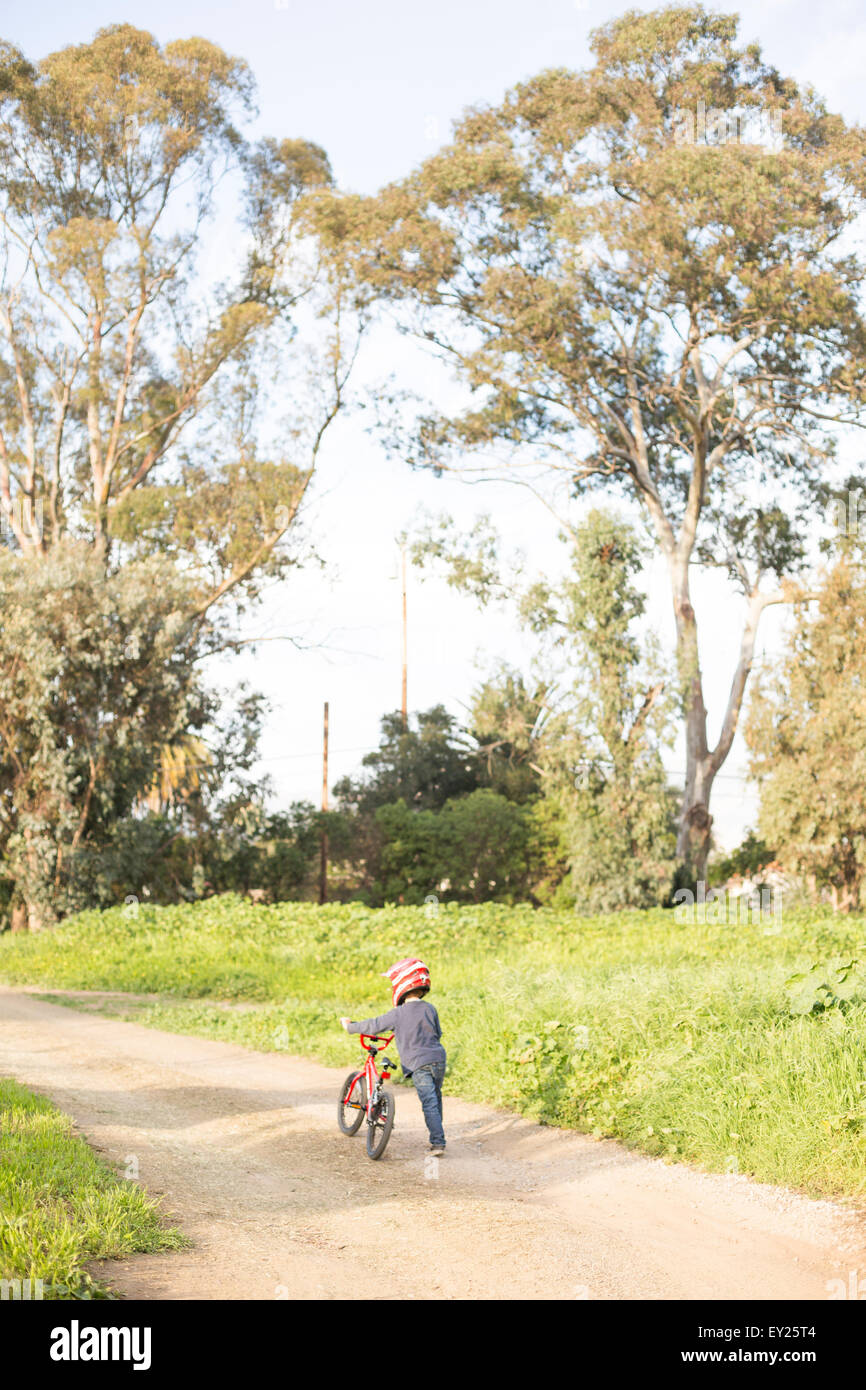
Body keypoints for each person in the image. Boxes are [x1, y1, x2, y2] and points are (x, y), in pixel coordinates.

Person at [340, 956, 447, 1155]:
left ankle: (438, 1142)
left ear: (401, 983)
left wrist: (350, 1027)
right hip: (438, 1059)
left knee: (428, 1102)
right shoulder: (430, 1008)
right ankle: (437, 1134)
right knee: (435, 1098)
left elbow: (374, 1025)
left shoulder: (398, 1013)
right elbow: (437, 1033)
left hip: (418, 1063)